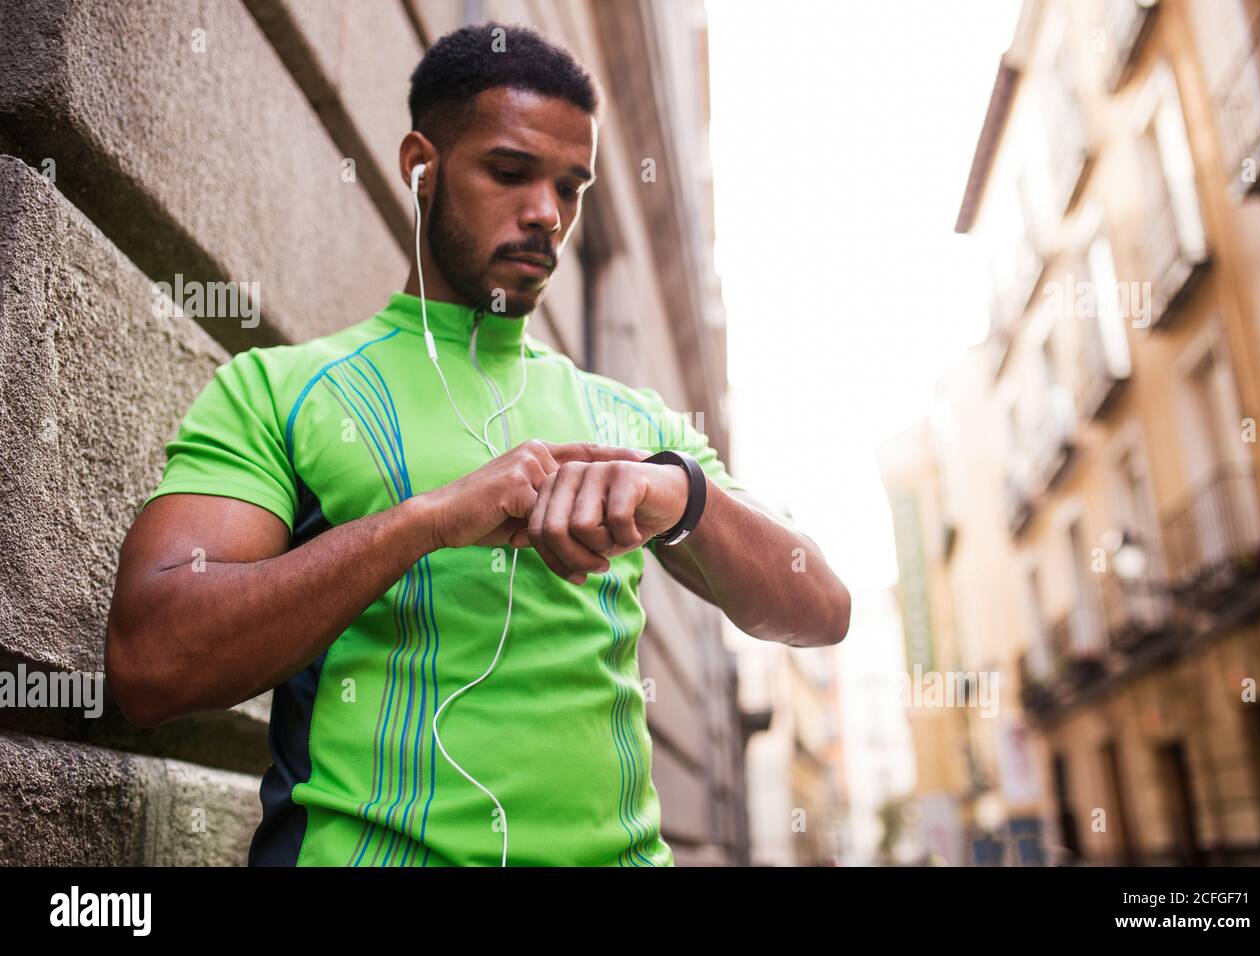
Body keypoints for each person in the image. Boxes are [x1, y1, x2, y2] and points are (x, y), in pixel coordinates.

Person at [104, 20, 850, 867]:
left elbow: (820, 610)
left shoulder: (631, 421)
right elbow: (150, 661)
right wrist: (425, 523)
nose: (547, 214)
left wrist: (681, 496)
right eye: (509, 172)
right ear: (421, 166)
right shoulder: (281, 390)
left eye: (571, 187)